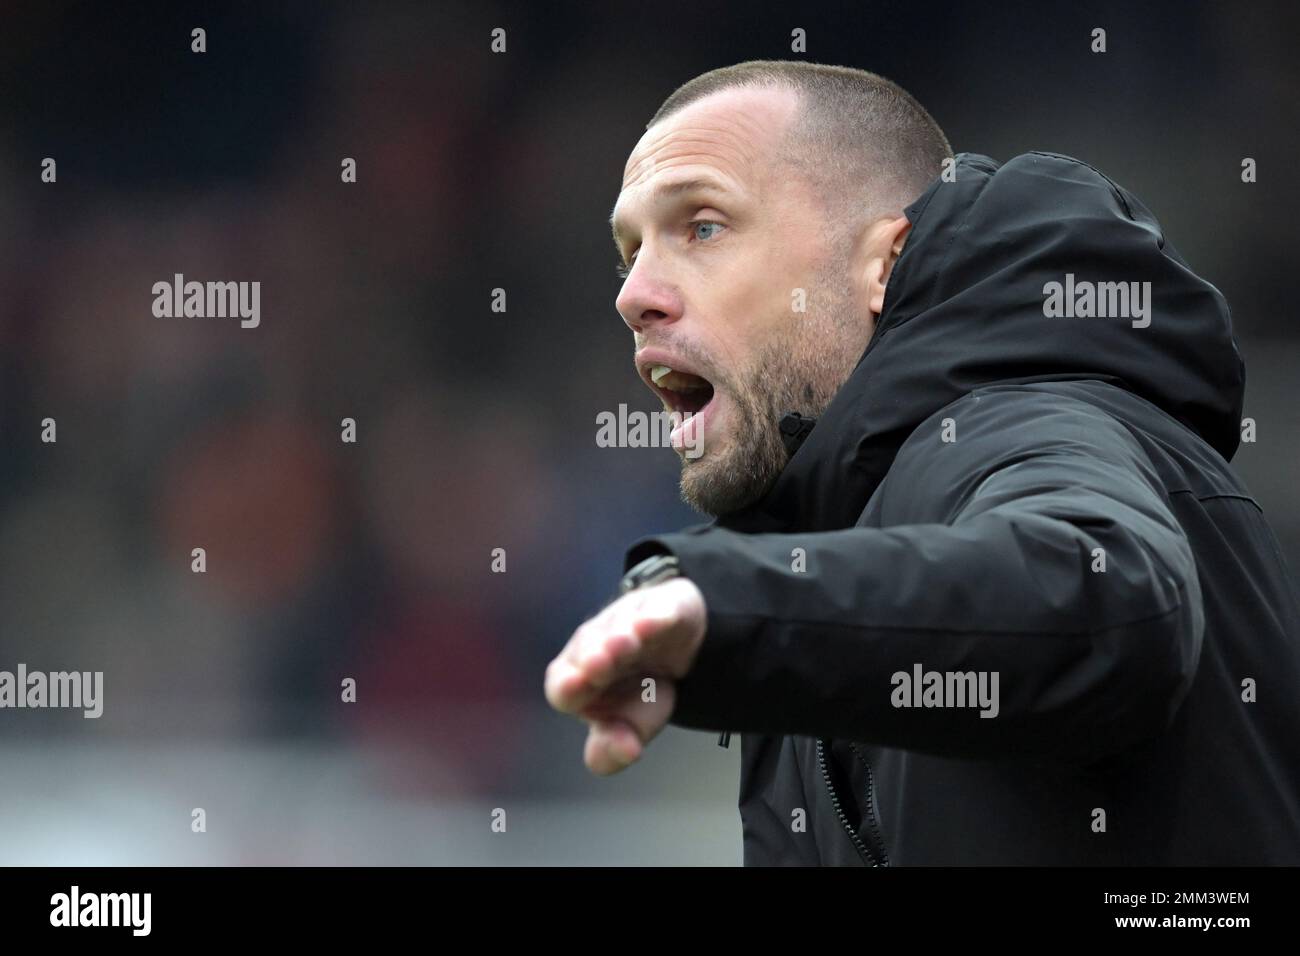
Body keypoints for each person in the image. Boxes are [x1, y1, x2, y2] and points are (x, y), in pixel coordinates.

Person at [544, 60, 1300, 864]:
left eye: (702, 226)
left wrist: (736, 613)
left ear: (882, 265)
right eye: (630, 255)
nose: (634, 296)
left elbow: (1109, 593)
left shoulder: (1017, 420)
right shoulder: (825, 559)